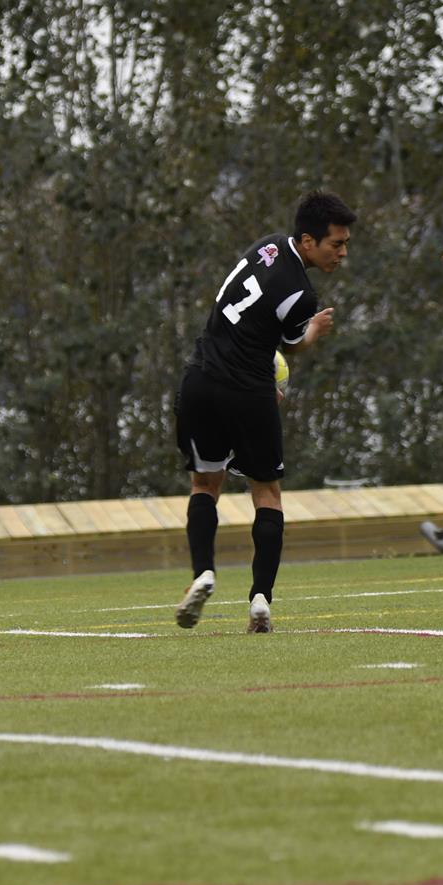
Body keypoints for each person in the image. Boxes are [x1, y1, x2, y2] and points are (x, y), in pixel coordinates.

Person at [173, 190, 357, 633]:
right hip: (250, 390)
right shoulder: (302, 296)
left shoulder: (267, 245)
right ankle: (260, 601)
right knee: (267, 494)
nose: (343, 253)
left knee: (204, 483)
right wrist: (313, 330)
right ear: (309, 241)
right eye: (337, 244)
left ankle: (203, 573)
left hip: (199, 380)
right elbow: (292, 344)